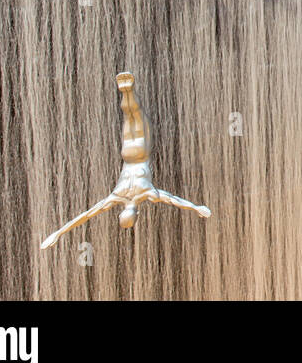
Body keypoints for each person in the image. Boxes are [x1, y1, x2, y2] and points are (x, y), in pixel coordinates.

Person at [40, 73, 210, 249]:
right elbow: (87, 215)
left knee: (136, 116)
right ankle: (127, 93)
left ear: (136, 213)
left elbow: (174, 200)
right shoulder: (122, 196)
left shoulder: (145, 194)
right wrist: (57, 234)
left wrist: (58, 234)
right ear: (122, 213)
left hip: (141, 152)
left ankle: (128, 92)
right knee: (130, 117)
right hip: (128, 154)